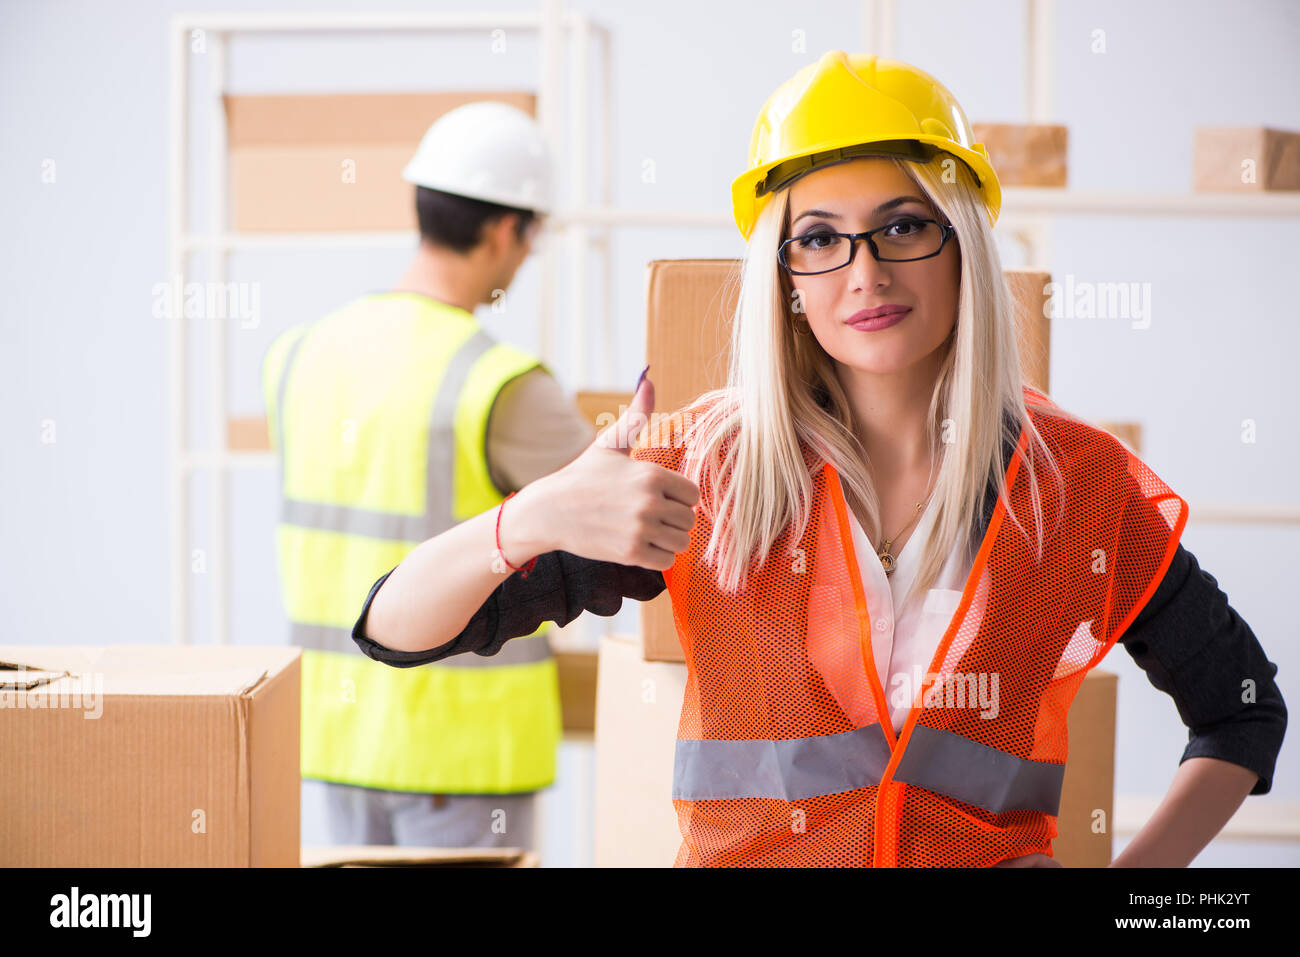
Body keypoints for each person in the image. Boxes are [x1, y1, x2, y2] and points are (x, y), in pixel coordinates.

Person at [346, 53, 1286, 867]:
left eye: (903, 226)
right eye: (820, 240)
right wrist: (537, 516)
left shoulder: (1076, 484)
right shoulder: (706, 470)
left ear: (963, 244)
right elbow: (395, 626)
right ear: (786, 280)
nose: (865, 273)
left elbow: (1243, 711)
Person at [261, 101, 594, 850]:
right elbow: (622, 510)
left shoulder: (299, 355)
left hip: (339, 740)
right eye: (529, 238)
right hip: (461, 753)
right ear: (508, 229)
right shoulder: (498, 382)